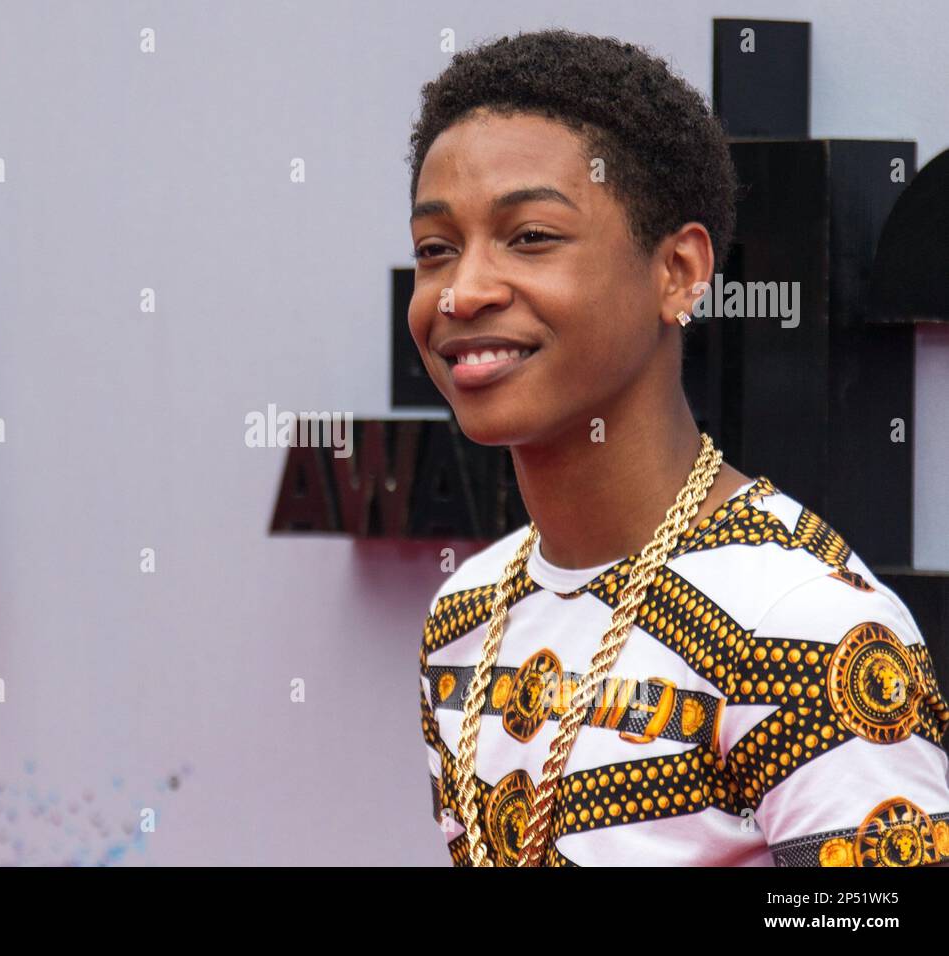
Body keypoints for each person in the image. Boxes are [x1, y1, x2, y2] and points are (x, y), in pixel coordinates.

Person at [407, 29, 949, 866]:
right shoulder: (467, 614)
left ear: (679, 271)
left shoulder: (800, 624)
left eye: (532, 237)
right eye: (436, 250)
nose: (464, 290)